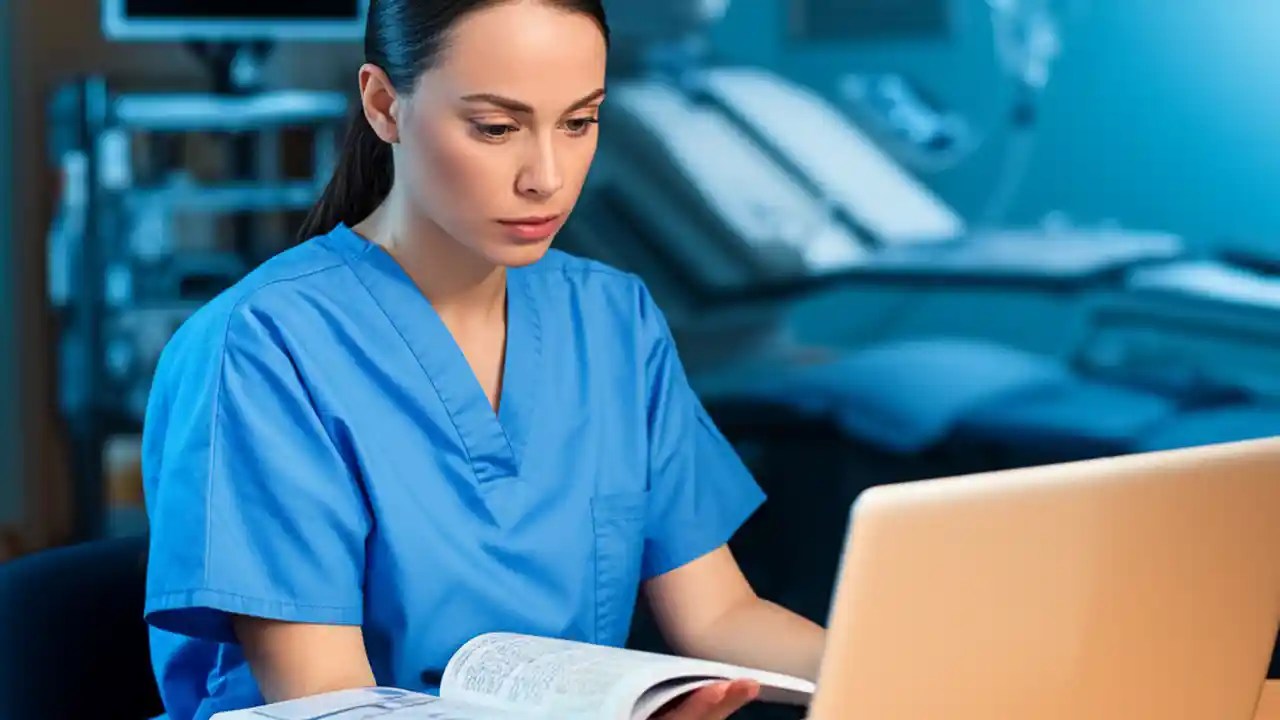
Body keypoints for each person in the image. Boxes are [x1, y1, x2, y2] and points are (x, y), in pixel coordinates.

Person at [140, 1, 826, 718]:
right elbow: (330, 703)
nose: (547, 177)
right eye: (496, 128)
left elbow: (719, 618)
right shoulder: (261, 348)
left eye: (579, 122)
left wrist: (893, 673)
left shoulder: (612, 320)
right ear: (384, 106)